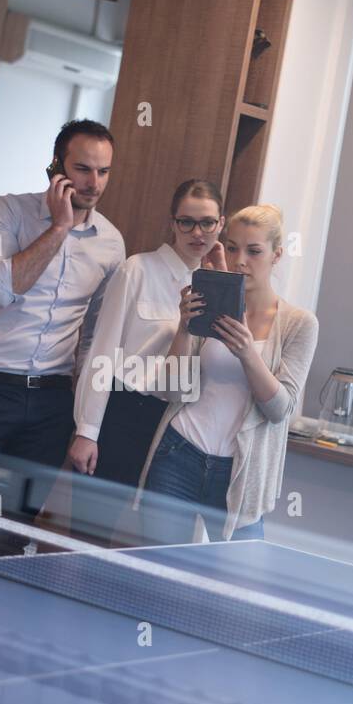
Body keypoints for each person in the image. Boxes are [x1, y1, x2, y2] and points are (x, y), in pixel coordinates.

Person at [0, 119, 125, 559]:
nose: (94, 183)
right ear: (56, 167)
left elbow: (93, 335)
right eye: (83, 168)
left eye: (103, 171)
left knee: (13, 536)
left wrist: (85, 421)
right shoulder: (6, 212)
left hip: (52, 404)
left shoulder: (112, 244)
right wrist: (59, 228)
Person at [137, 204, 318, 543]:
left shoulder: (300, 324)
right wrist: (185, 328)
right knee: (158, 579)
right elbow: (173, 390)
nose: (240, 261)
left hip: (240, 472)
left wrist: (249, 353)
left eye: (254, 251)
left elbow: (280, 410)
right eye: (232, 247)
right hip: (179, 454)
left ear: (277, 255)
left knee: (235, 589)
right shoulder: (214, 302)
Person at [68, 179, 227, 545]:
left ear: (221, 224)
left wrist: (224, 276)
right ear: (173, 223)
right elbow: (101, 354)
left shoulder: (223, 286)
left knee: (159, 544)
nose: (197, 232)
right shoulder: (136, 270)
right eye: (186, 222)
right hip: (126, 414)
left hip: (179, 427)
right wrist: (87, 431)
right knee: (88, 536)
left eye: (207, 222)